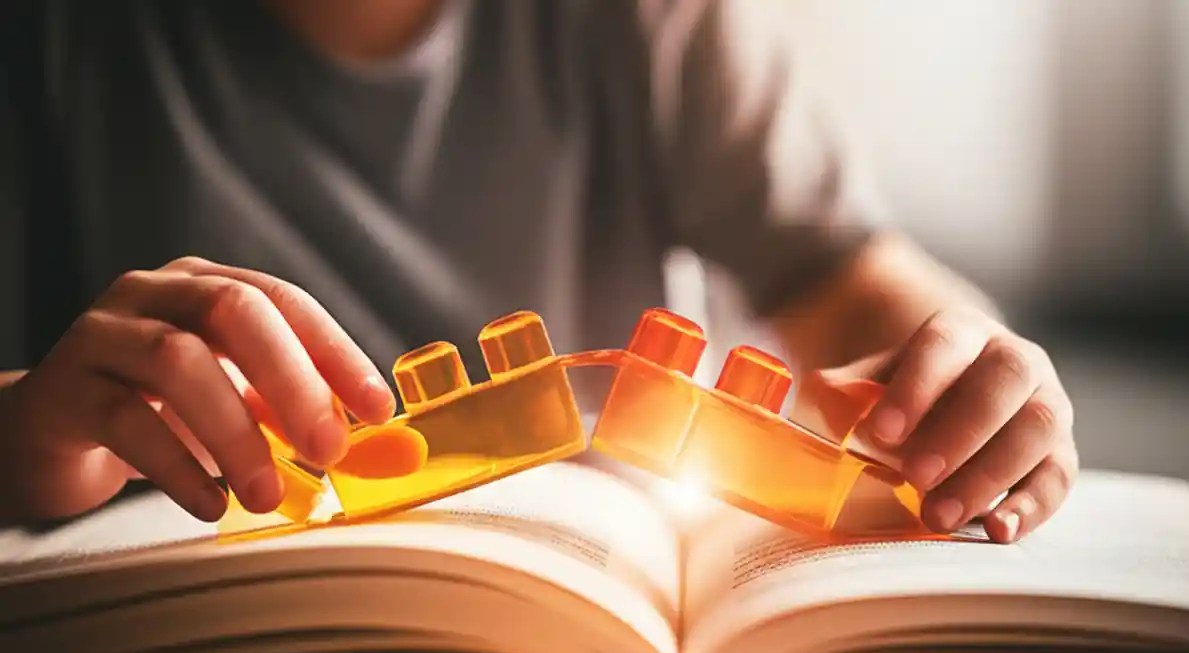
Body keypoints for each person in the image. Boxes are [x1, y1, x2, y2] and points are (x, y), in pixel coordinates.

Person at [0, 0, 1076, 543]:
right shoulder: (50, 41)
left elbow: (849, 276)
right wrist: (20, 434)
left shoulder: (647, 20)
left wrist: (968, 369)